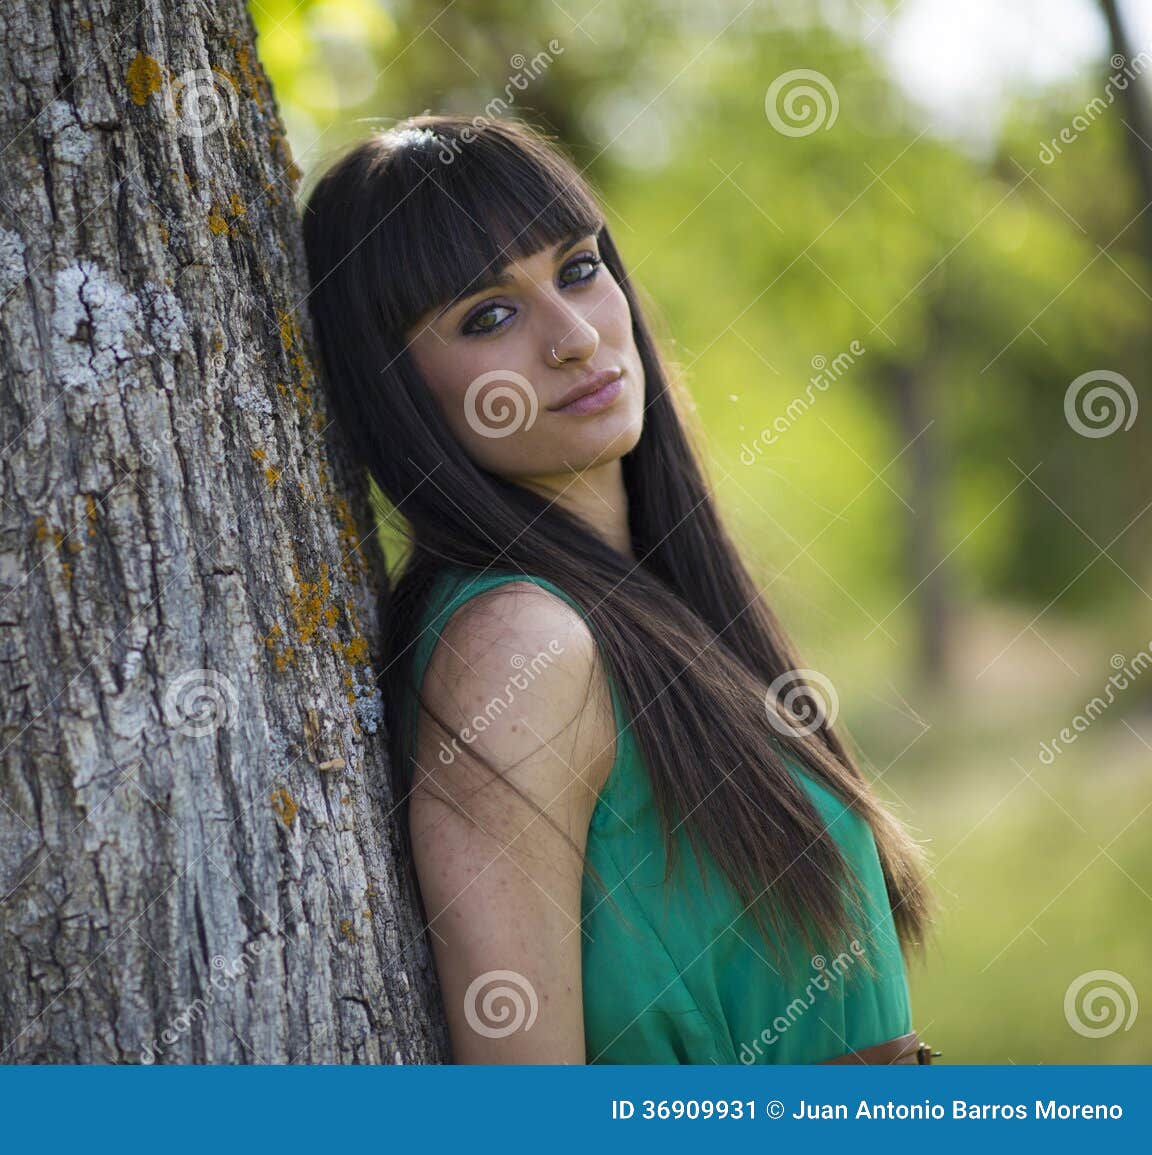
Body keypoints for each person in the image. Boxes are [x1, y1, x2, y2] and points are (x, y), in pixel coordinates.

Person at [299, 114, 938, 1065]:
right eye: (487, 315)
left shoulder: (656, 608)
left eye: (578, 268)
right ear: (395, 391)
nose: (570, 337)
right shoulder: (519, 644)